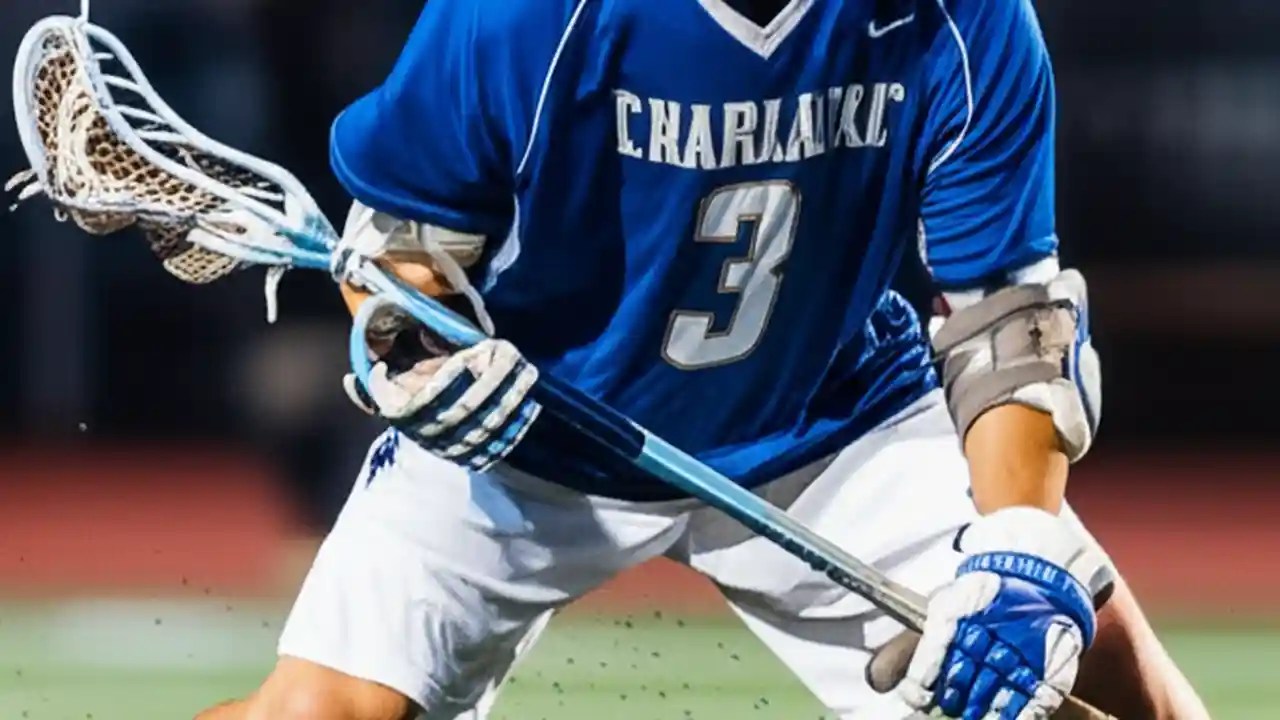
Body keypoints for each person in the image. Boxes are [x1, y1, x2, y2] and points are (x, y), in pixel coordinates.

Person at [198, 0, 1210, 717]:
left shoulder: (961, 18)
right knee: (323, 713)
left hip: (829, 424)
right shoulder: (525, 13)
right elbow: (404, 250)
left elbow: (1007, 327)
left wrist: (1019, 545)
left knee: (1111, 687)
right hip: (533, 423)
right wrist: (424, 366)